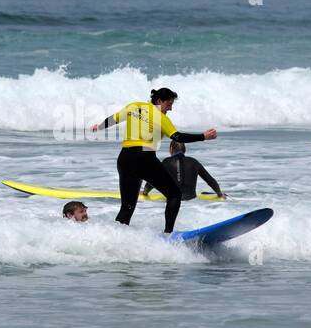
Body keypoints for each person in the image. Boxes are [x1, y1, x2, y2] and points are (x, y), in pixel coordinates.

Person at [90, 88, 217, 233]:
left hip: (125, 158)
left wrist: (98, 127)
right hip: (144, 156)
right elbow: (178, 137)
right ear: (159, 101)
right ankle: (168, 235)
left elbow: (114, 119)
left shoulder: (135, 106)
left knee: (127, 207)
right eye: (169, 104)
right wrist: (203, 136)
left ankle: (115, 238)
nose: (170, 108)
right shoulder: (161, 118)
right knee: (175, 194)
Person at [142, 140, 225, 201]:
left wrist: (145, 193)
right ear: (185, 150)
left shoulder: (166, 162)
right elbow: (210, 180)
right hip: (192, 202)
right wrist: (219, 194)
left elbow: (153, 180)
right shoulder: (193, 162)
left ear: (171, 149)